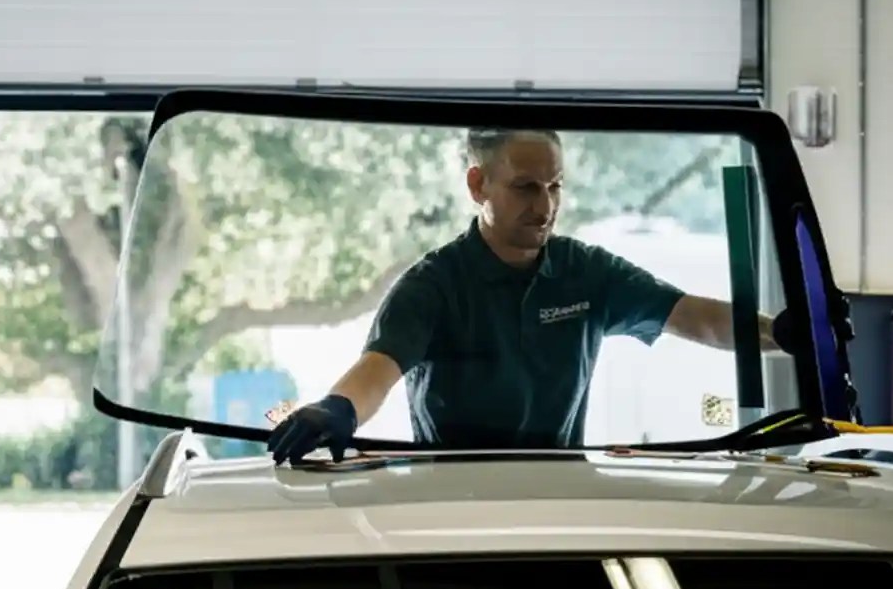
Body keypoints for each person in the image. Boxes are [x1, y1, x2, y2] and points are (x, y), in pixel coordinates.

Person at [268, 128, 781, 465]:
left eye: (555, 186)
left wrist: (784, 333)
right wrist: (337, 409)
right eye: (526, 187)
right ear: (478, 185)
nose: (545, 205)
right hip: (451, 517)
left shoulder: (587, 272)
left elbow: (696, 318)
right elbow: (377, 372)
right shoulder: (433, 286)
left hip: (560, 507)